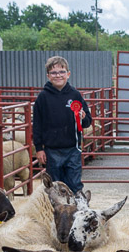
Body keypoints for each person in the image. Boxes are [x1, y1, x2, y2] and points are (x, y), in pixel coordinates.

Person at [33, 55, 92, 193]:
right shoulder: (43, 98)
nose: (58, 75)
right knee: (55, 186)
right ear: (48, 76)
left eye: (62, 72)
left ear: (68, 74)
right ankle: (57, 213)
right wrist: (39, 148)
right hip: (52, 150)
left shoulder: (75, 95)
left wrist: (83, 118)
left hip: (72, 149)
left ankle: (78, 211)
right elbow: (37, 124)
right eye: (53, 73)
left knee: (75, 184)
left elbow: (87, 122)